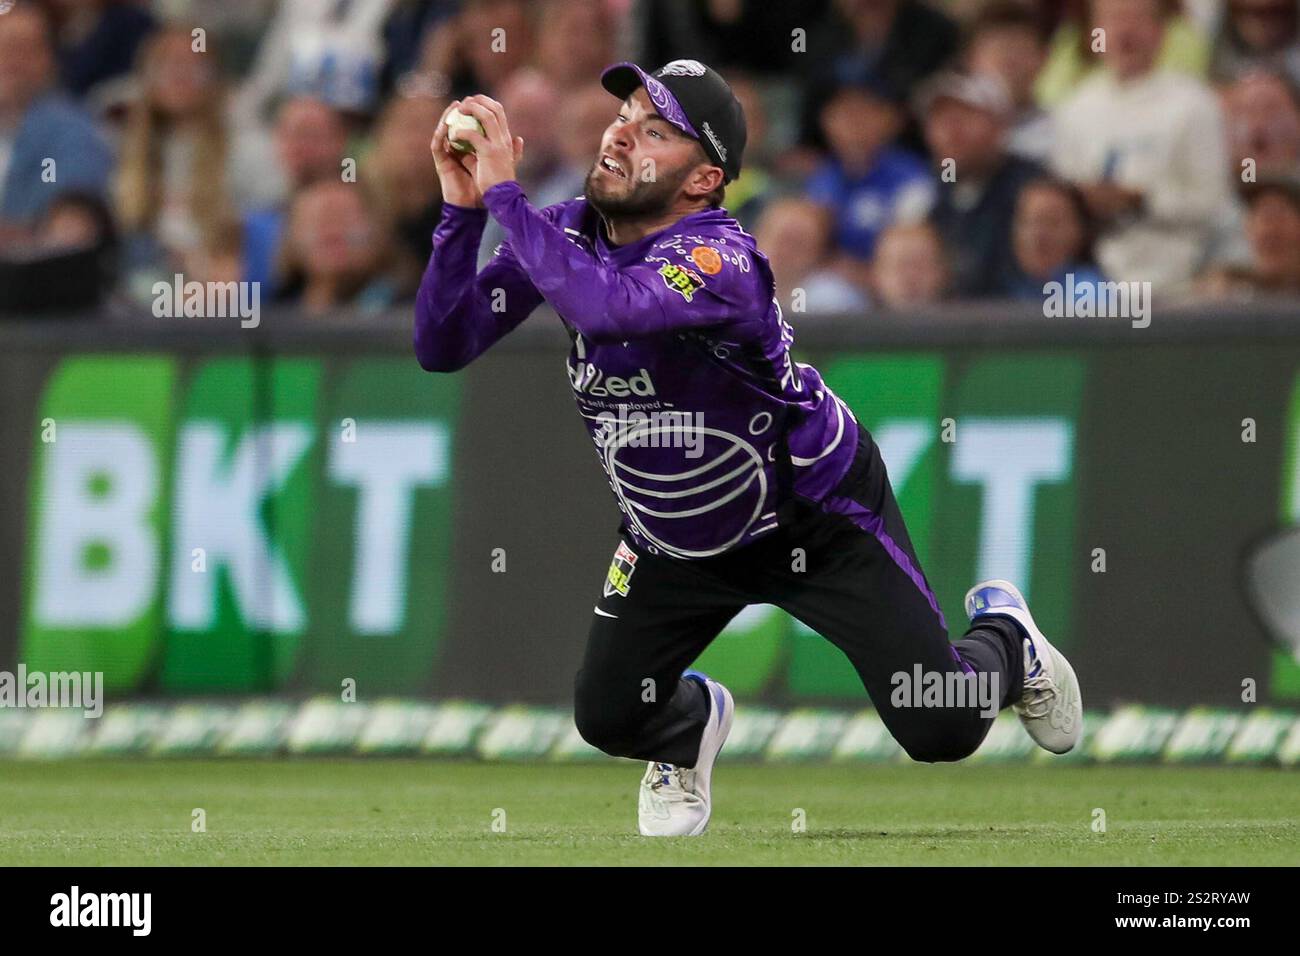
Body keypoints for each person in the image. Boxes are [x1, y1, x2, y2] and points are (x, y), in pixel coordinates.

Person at [414, 58, 1082, 837]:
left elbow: (607, 309)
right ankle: (691, 727)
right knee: (609, 718)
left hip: (813, 516)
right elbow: (443, 342)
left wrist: (504, 193)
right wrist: (462, 211)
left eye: (655, 130)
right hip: (674, 530)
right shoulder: (568, 231)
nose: (622, 134)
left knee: (941, 725)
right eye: (624, 115)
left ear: (702, 179)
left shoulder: (720, 258)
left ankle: (1008, 637)